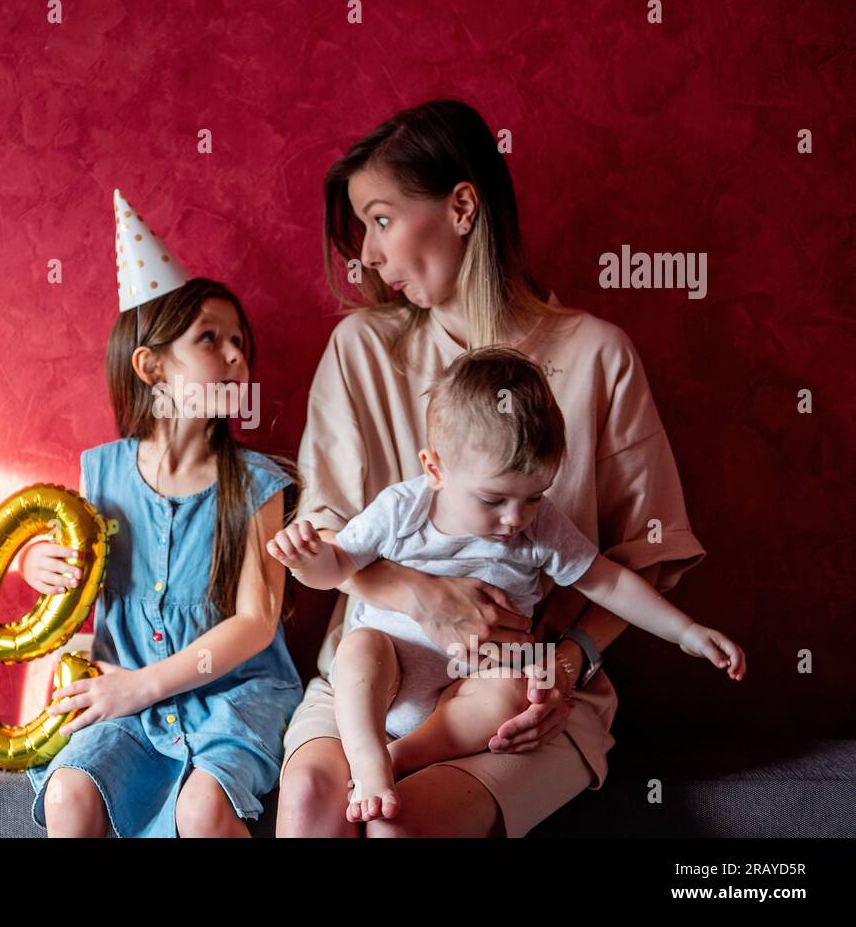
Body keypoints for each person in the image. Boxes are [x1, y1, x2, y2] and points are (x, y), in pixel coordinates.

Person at [276, 99, 709, 838]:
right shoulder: (360, 351)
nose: (368, 257)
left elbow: (641, 560)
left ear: (462, 206)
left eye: (380, 220)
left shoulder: (598, 355)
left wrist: (565, 668)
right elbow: (330, 543)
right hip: (379, 662)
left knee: (399, 827)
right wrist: (422, 593)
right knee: (316, 801)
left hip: (523, 685)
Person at [269, 345, 744, 823]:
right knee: (359, 649)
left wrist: (685, 632)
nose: (515, 519)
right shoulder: (401, 510)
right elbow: (337, 568)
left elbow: (609, 583)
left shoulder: (542, 528)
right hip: (388, 672)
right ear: (434, 469)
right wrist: (306, 560)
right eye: (493, 499)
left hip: (470, 690)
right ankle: (369, 757)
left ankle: (403, 757)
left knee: (512, 687)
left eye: (534, 496)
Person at [20, 189, 304, 837]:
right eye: (210, 338)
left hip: (234, 696)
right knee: (68, 794)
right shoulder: (102, 474)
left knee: (201, 810)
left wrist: (142, 686)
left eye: (240, 341)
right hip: (125, 695)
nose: (236, 355)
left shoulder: (258, 484)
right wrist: (37, 560)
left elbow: (257, 622)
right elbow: (74, 575)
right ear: (151, 367)